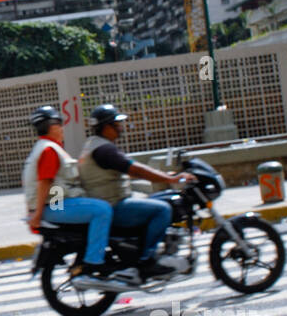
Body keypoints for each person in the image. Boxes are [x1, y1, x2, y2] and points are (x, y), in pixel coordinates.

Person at [79, 104, 196, 278]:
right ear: (106, 127)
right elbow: (135, 169)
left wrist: (165, 175)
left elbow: (121, 172)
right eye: (117, 124)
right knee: (162, 209)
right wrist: (170, 179)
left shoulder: (96, 145)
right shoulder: (104, 149)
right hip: (114, 205)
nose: (121, 128)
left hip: (111, 200)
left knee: (161, 198)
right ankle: (147, 260)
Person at [23, 105, 114, 279]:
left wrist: (34, 211)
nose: (62, 128)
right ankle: (94, 261)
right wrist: (38, 215)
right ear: (52, 126)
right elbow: (45, 182)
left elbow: (50, 184)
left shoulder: (42, 148)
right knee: (102, 210)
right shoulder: (49, 150)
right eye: (59, 123)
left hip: (54, 205)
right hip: (55, 207)